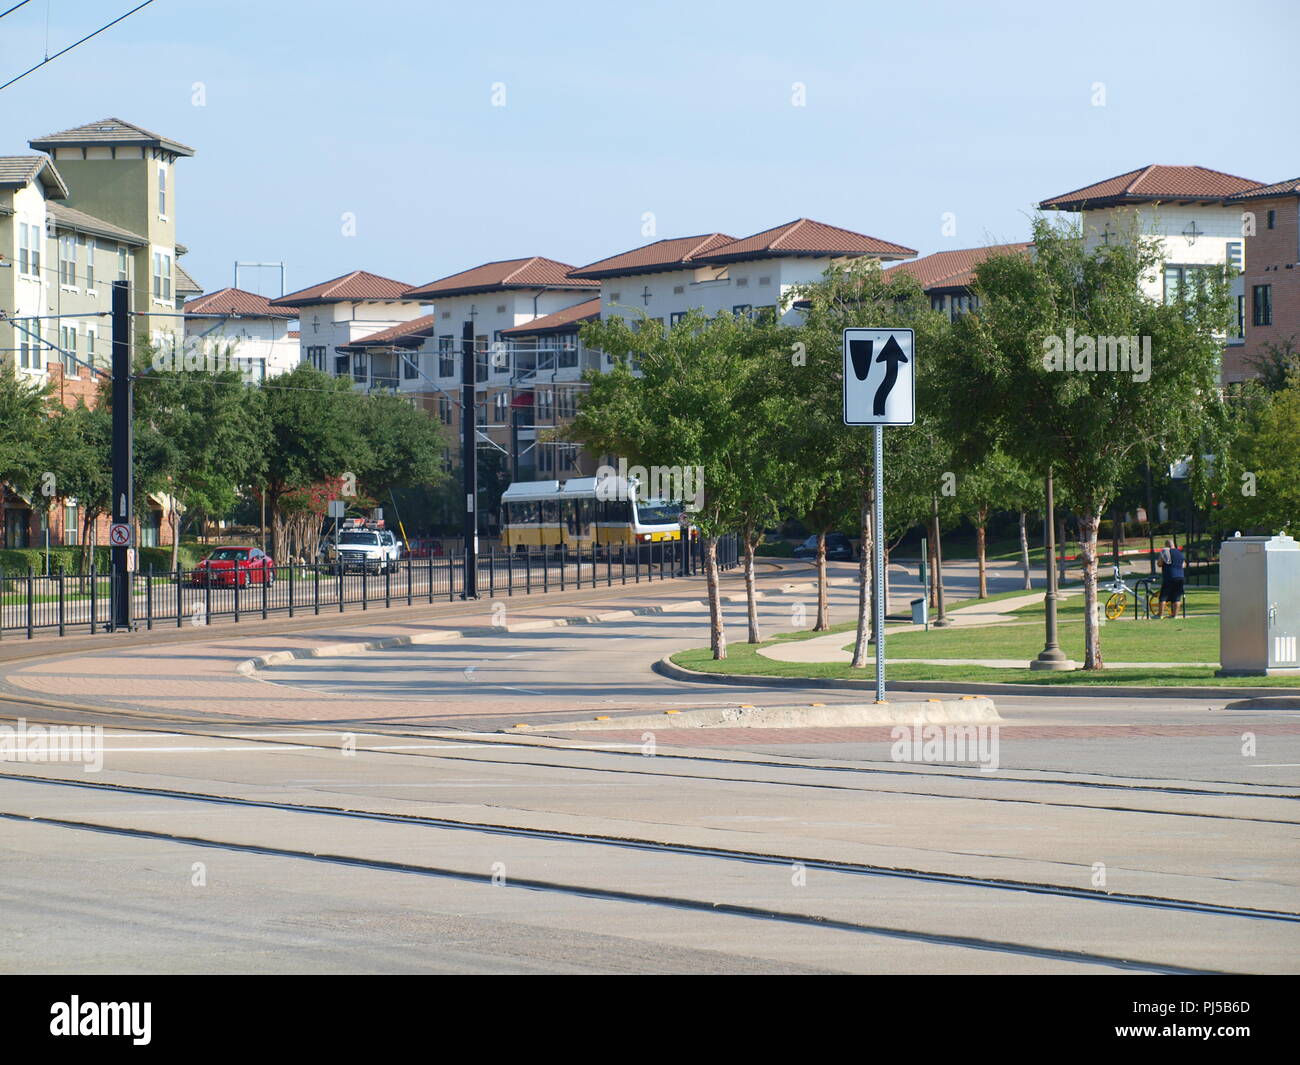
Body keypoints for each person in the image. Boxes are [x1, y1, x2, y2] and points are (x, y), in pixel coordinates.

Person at [1157, 539, 1185, 618]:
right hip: (1180, 577)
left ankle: (1160, 615)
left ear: (1167, 545)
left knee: (1163, 597)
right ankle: (1174, 615)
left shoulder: (1165, 551)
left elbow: (1159, 564)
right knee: (1176, 597)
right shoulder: (1180, 553)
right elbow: (1183, 565)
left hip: (1169, 576)